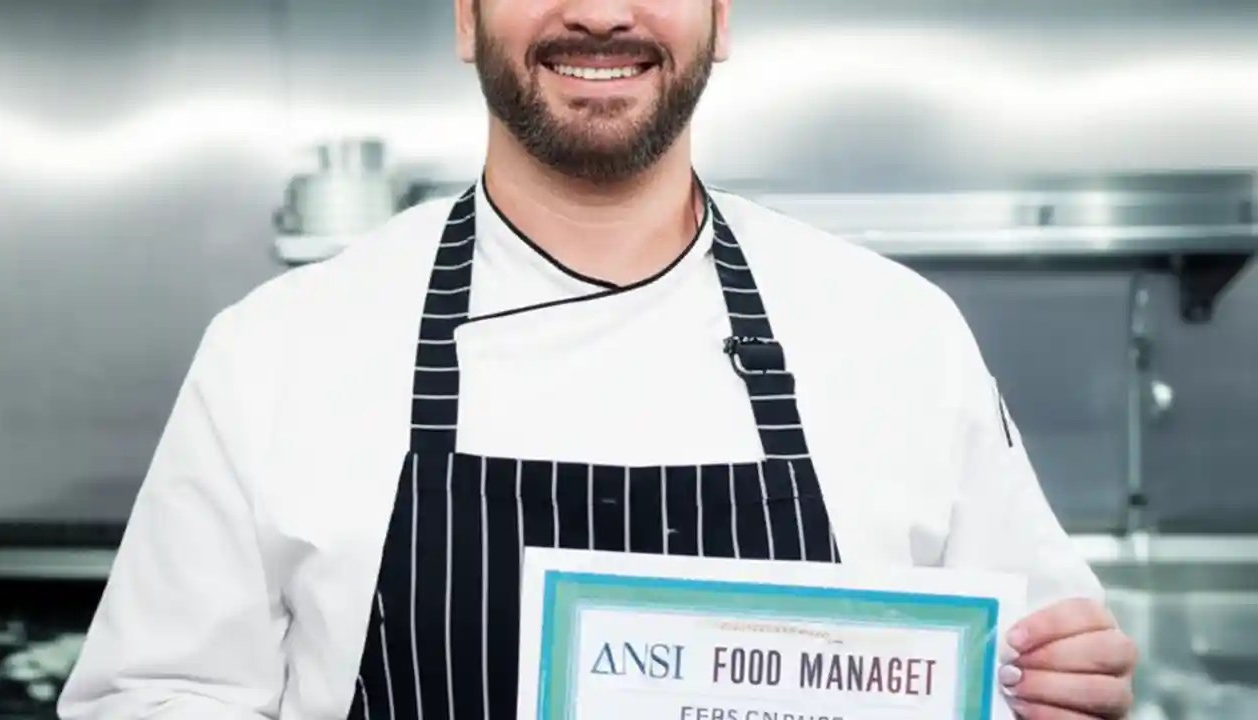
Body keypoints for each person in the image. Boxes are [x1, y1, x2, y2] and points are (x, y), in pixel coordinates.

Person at [58, 0, 1137, 718]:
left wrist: (1060, 691)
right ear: (462, 13)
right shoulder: (280, 348)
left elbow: (1024, 666)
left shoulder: (897, 337)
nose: (601, 12)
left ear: (720, 18)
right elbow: (153, 698)